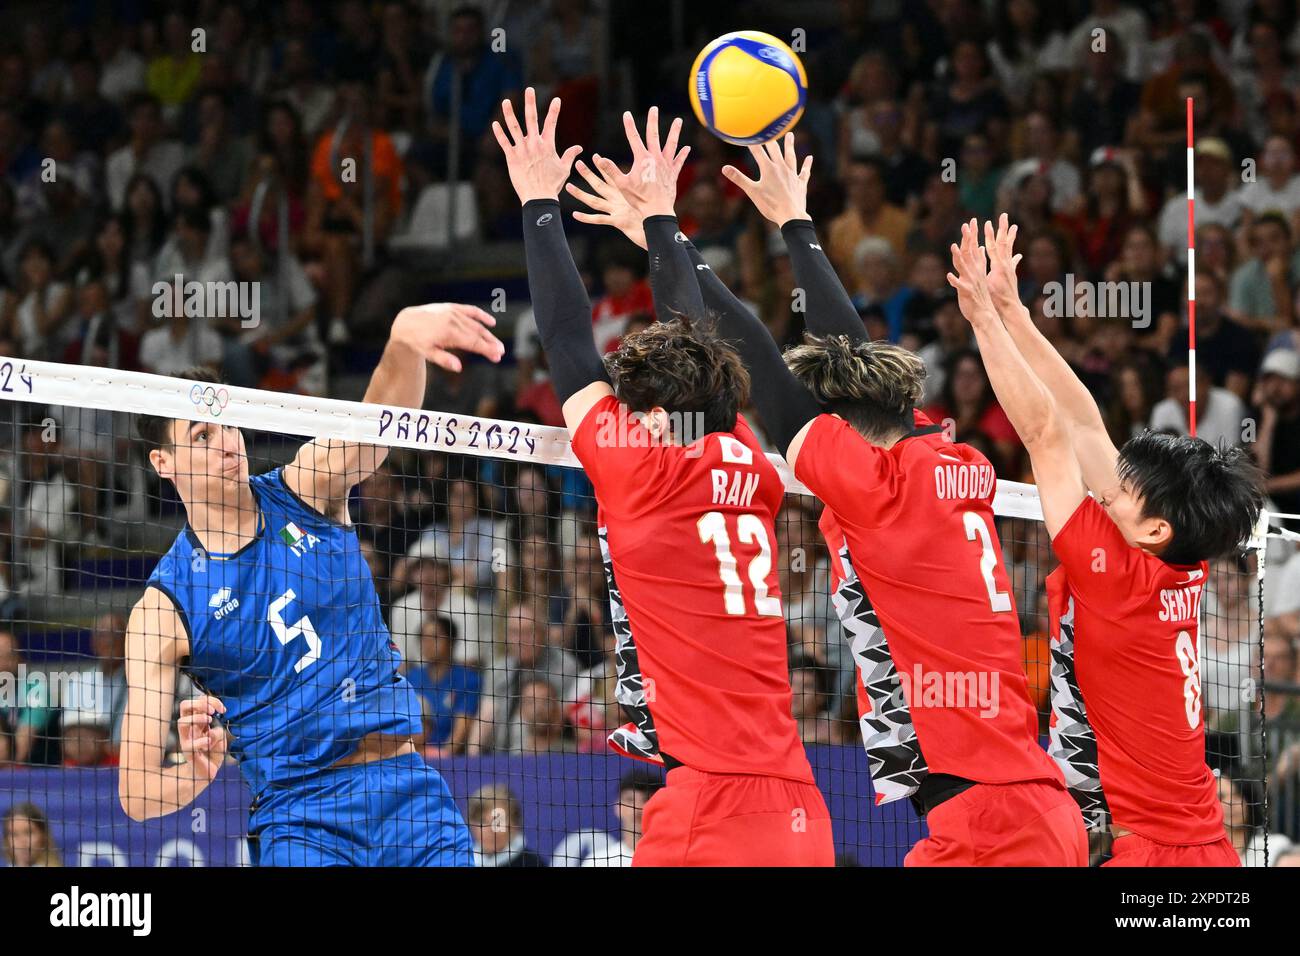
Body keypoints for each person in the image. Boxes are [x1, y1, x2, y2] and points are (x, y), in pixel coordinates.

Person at [572, 130, 1085, 866]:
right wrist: (792, 226)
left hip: (993, 827)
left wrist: (666, 233)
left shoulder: (876, 488)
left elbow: (740, 357)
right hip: (1023, 805)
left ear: (844, 432)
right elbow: (853, 365)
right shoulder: (949, 458)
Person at [494, 90, 833, 866]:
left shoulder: (639, 468)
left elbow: (567, 340)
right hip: (799, 804)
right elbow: (702, 344)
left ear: (647, 412)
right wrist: (658, 223)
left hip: (710, 806)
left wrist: (538, 201)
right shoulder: (749, 459)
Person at [118, 300, 504, 867]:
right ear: (163, 461)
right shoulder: (162, 611)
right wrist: (194, 775)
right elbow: (138, 793)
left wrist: (402, 344)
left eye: (229, 423)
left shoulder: (306, 487)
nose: (227, 441)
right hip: (300, 821)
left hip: (408, 794)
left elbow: (376, 425)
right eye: (202, 434)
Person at [948, 214, 1264, 866]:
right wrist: (1016, 311)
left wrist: (982, 320)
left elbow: (1047, 436)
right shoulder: (1180, 560)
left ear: (1154, 528)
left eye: (1122, 495)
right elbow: (1088, 427)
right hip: (1207, 847)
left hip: (1156, 856)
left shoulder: (1112, 576)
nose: (1108, 493)